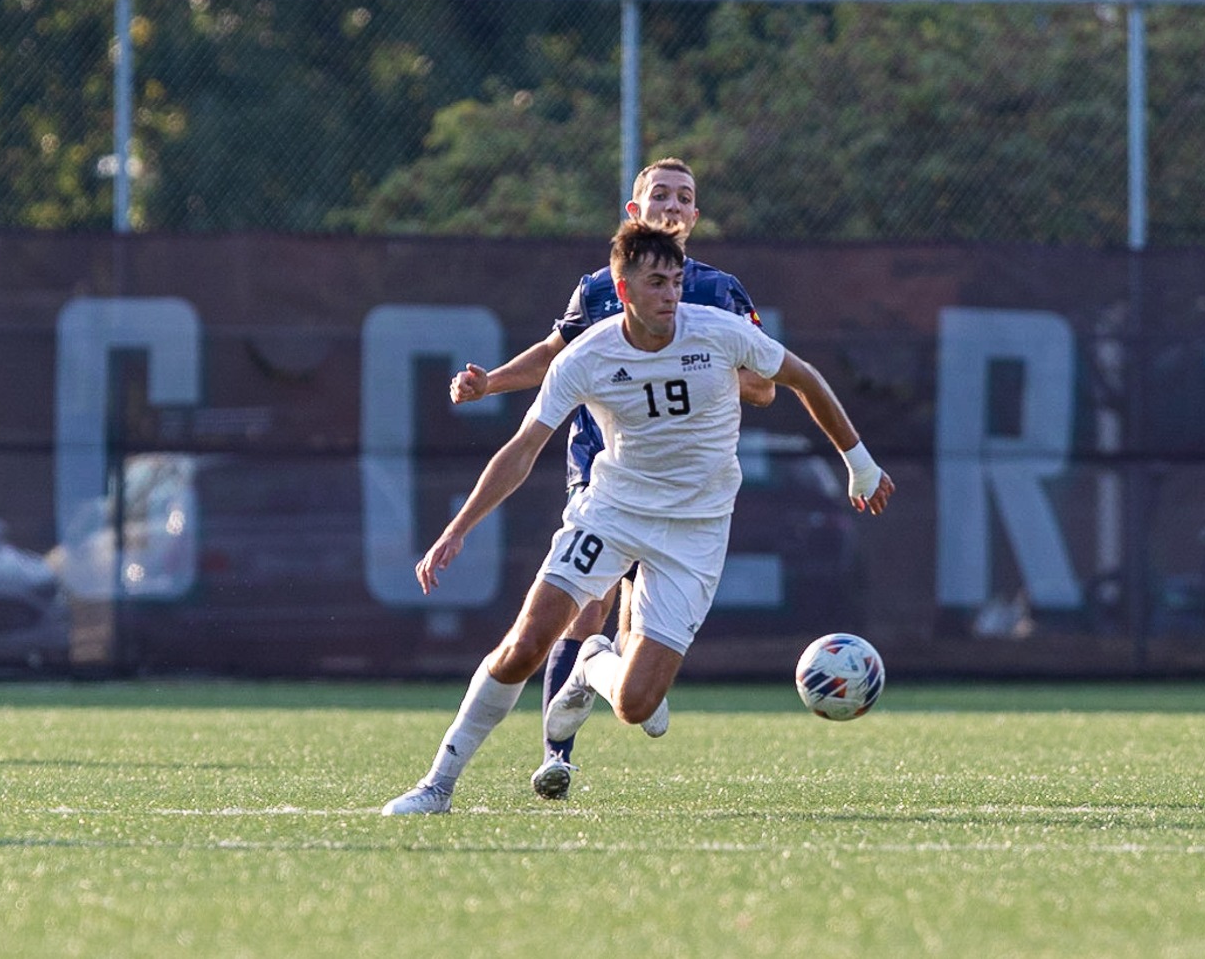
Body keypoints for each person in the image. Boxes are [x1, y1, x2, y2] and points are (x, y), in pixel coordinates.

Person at [381, 219, 893, 816]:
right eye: (655, 283)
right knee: (525, 644)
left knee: (637, 706)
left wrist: (859, 463)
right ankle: (437, 785)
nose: (671, 295)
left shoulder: (718, 331)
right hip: (612, 513)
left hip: (696, 531)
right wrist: (456, 529)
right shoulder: (588, 354)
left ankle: (591, 664)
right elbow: (522, 449)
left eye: (675, 281)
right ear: (623, 290)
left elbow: (801, 378)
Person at [448, 157, 775, 802]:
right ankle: (556, 754)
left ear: (696, 217)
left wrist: (694, 373)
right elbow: (555, 355)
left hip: (684, 488)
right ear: (635, 212)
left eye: (685, 198)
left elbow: (764, 388)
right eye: (660, 195)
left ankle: (606, 675)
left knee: (633, 650)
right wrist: (492, 382)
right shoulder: (599, 289)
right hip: (604, 472)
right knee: (581, 606)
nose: (673, 206)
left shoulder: (720, 293)